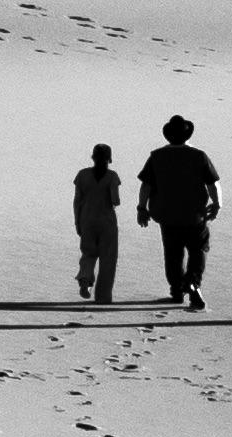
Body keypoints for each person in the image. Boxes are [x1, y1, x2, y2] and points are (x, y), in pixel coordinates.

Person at [136, 116, 220, 310]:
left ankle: (176, 290)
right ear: (188, 135)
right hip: (194, 214)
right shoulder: (199, 156)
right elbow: (212, 184)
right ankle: (192, 283)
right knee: (198, 249)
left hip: (167, 214)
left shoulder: (156, 156)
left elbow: (146, 185)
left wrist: (142, 208)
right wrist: (217, 204)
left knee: (172, 253)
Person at [70, 143, 123, 303]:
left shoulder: (82, 175)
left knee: (88, 253)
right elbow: (116, 201)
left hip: (87, 219)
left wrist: (77, 221)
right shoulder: (112, 176)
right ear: (109, 159)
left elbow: (77, 200)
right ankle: (103, 296)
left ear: (93, 157)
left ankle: (85, 279)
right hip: (107, 221)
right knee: (108, 258)